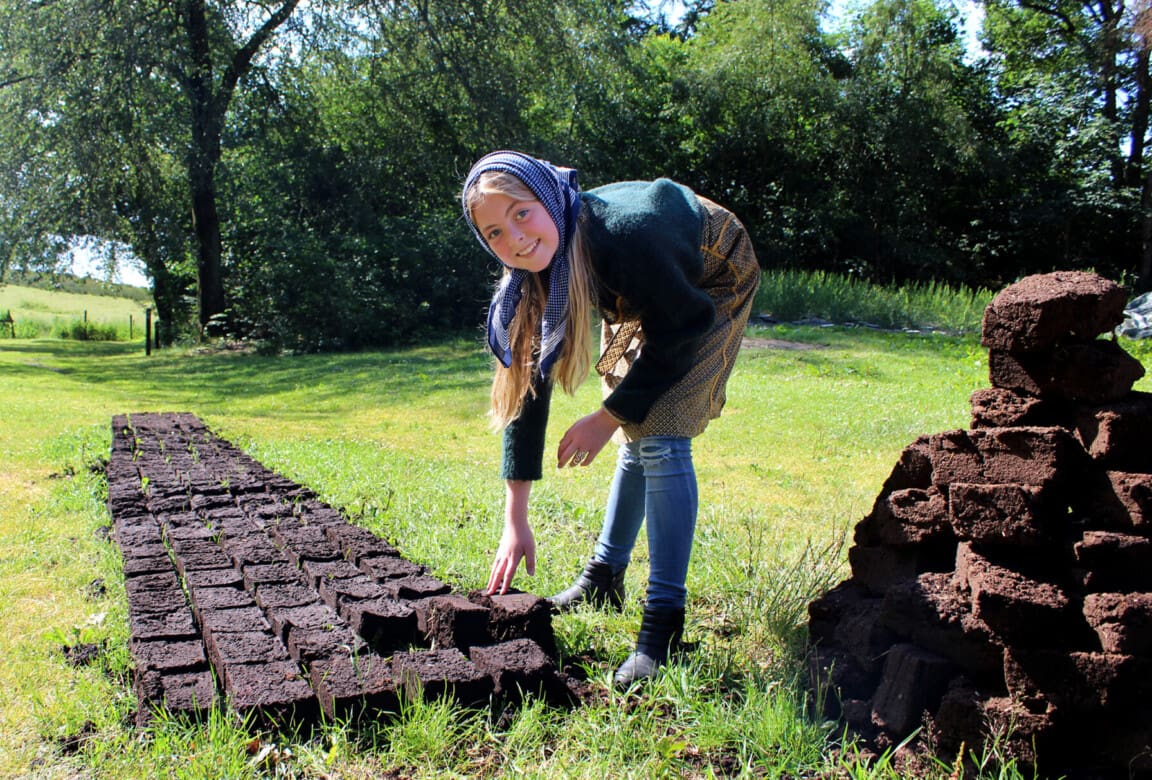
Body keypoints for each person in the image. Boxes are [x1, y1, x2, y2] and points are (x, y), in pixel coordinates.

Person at [461, 150, 761, 686]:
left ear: (548, 199)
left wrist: (607, 416)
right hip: (639, 289)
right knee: (635, 432)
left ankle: (662, 628)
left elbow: (683, 325)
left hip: (709, 275)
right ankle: (603, 578)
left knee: (659, 432)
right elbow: (526, 387)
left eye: (521, 213)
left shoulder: (627, 237)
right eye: (494, 233)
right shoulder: (537, 273)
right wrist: (516, 518)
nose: (515, 239)